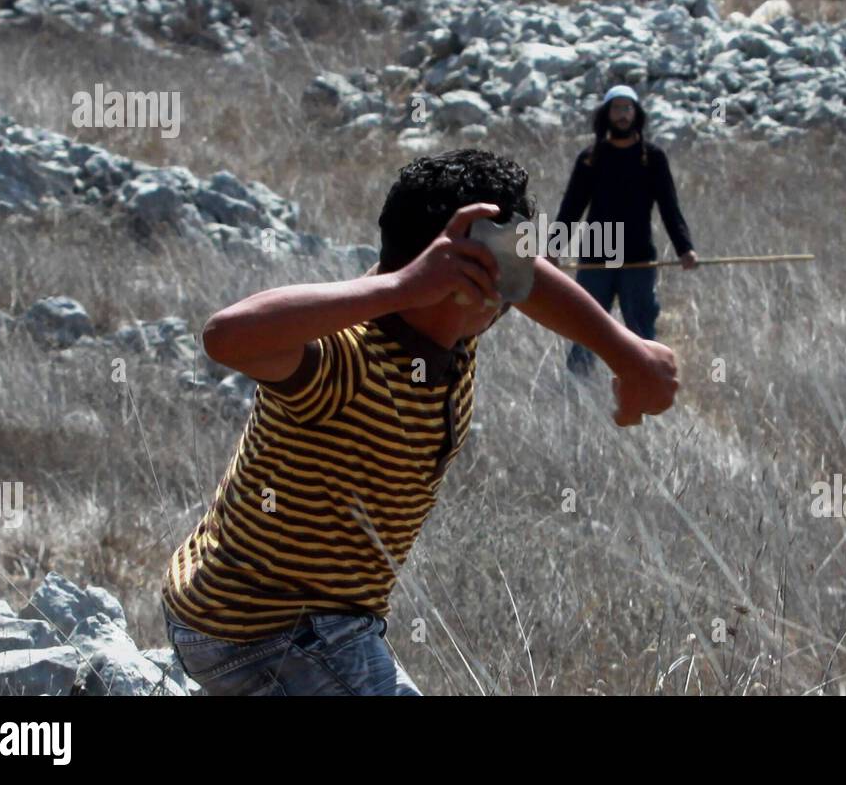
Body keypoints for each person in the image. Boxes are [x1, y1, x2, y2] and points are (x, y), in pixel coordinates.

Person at [160, 149, 679, 695]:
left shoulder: (449, 323)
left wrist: (625, 351)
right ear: (462, 278)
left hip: (308, 621)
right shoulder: (350, 358)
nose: (523, 284)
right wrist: (407, 285)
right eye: (511, 264)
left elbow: (533, 281)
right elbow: (225, 335)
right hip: (261, 631)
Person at [553, 85, 697, 375]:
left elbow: (670, 207)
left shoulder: (653, 158)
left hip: (637, 257)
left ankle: (648, 387)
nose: (622, 115)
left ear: (637, 114)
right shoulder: (590, 158)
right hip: (597, 254)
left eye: (627, 108)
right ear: (607, 114)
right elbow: (571, 208)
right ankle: (577, 393)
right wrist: (552, 249)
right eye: (617, 108)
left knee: (641, 329)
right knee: (587, 328)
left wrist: (685, 248)